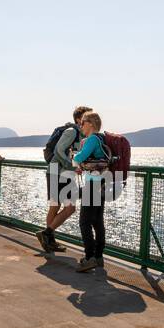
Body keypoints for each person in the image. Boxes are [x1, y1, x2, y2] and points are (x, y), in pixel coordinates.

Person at [37, 105, 92, 253]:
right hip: (58, 171)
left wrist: (78, 166)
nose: (91, 120)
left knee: (55, 207)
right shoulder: (71, 131)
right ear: (79, 119)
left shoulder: (83, 135)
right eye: (88, 117)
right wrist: (72, 166)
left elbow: (73, 154)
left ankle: (48, 241)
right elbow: (58, 150)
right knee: (70, 208)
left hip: (60, 172)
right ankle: (47, 234)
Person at [70, 111, 109, 272]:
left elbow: (79, 158)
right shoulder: (101, 139)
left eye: (83, 123)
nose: (80, 126)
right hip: (101, 184)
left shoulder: (92, 139)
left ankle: (89, 257)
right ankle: (98, 257)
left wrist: (75, 156)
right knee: (97, 221)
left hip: (91, 185)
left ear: (91, 123)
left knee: (84, 222)